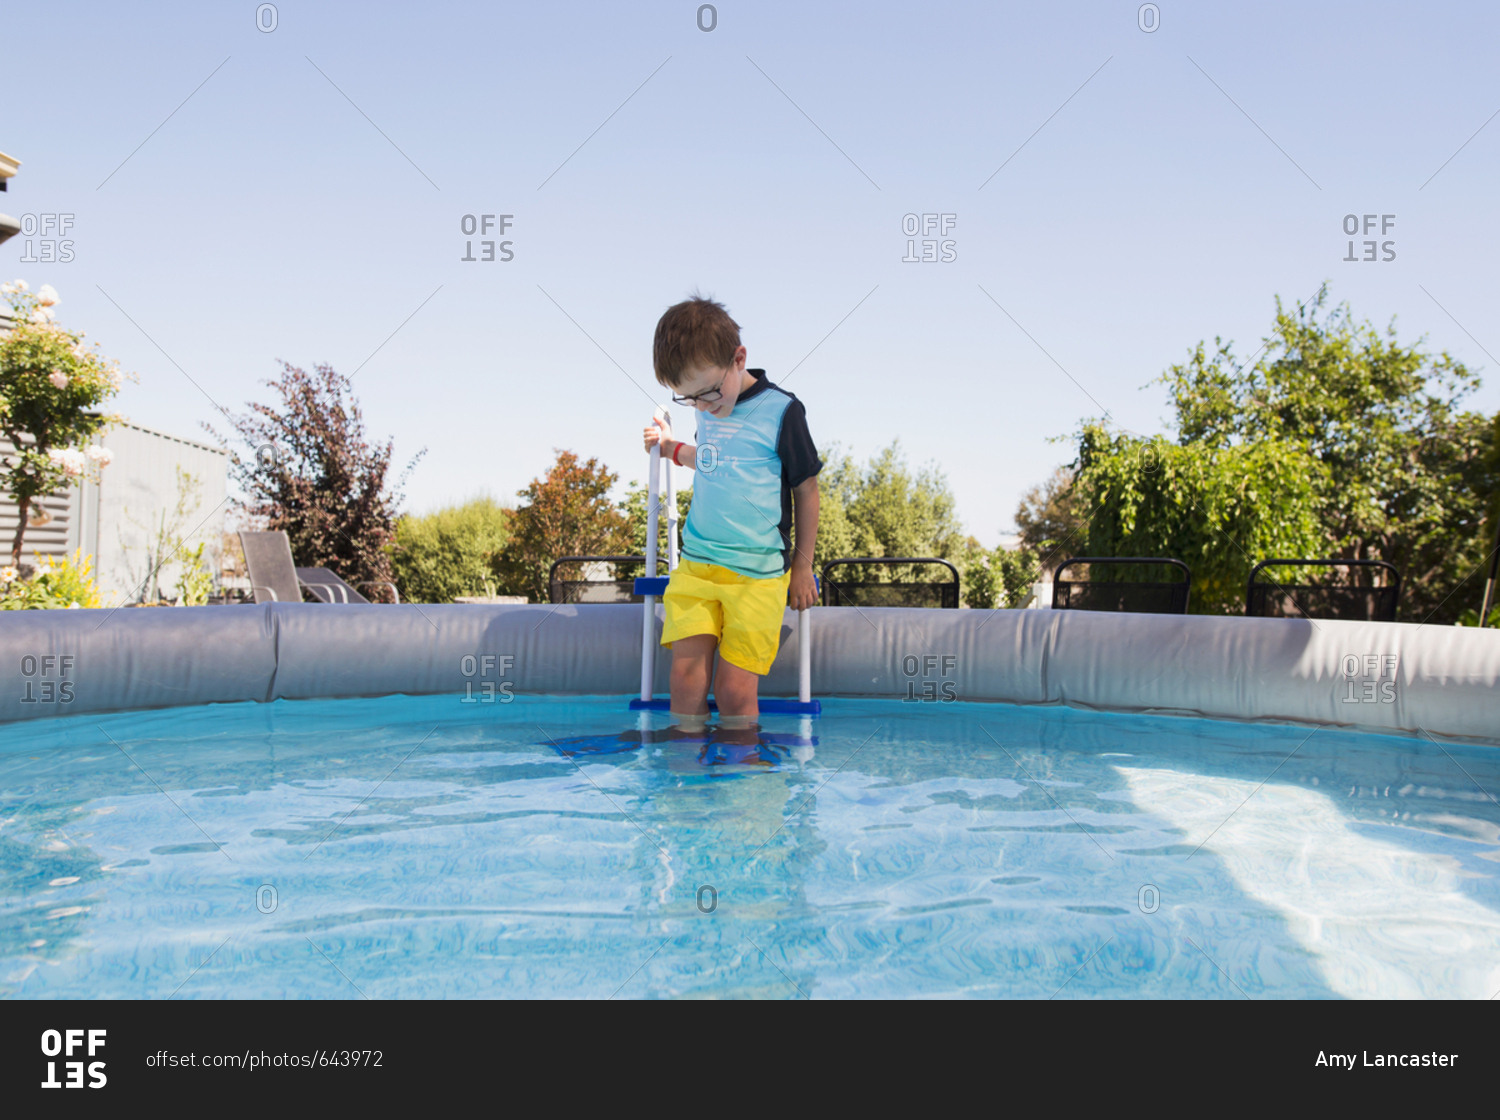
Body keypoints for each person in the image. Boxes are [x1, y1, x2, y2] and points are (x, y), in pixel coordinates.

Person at [642, 295, 821, 741]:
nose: (702, 407)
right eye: (689, 399)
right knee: (684, 681)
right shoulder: (711, 409)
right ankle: (684, 784)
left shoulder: (783, 411)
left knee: (734, 690)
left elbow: (807, 490)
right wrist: (670, 447)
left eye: (707, 392)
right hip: (699, 567)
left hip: (757, 575)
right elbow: (711, 460)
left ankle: (744, 792)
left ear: (739, 359)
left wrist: (802, 566)